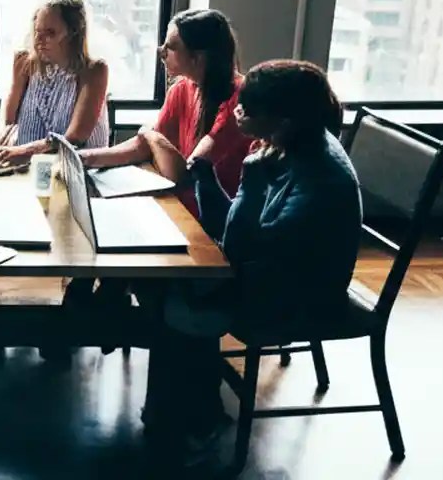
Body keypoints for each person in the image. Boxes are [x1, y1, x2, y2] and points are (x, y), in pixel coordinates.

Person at [143, 60, 361, 461]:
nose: (239, 113)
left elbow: (239, 247)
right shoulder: (294, 141)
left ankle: (195, 419)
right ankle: (179, 409)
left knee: (177, 300)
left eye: (248, 109)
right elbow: (235, 235)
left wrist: (250, 174)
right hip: (271, 269)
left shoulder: (318, 175)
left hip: (302, 294)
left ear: (282, 119)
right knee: (162, 284)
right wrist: (204, 172)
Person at [79, 9, 249, 217]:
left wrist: (150, 134)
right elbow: (143, 147)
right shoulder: (182, 89)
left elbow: (187, 172)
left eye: (171, 47)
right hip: (182, 207)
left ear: (198, 58)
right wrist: (86, 158)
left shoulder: (239, 99)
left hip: (214, 220)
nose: (161, 51)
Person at [0, 0, 110, 167]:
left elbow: (74, 139)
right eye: (37, 32)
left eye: (50, 33)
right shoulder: (24, 63)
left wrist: (24, 151)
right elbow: (7, 122)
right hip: (22, 173)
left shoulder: (94, 71)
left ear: (74, 33)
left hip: (74, 174)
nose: (39, 40)